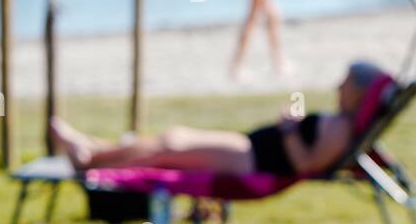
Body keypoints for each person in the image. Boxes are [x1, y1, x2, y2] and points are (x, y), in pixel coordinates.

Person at [49, 62, 388, 178]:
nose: (337, 86)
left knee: (168, 149)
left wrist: (288, 131)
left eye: (344, 82)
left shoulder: (342, 131)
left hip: (254, 161)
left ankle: (89, 160)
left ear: (358, 91)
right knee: (171, 139)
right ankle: (94, 149)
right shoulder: (343, 124)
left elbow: (304, 165)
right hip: (252, 150)